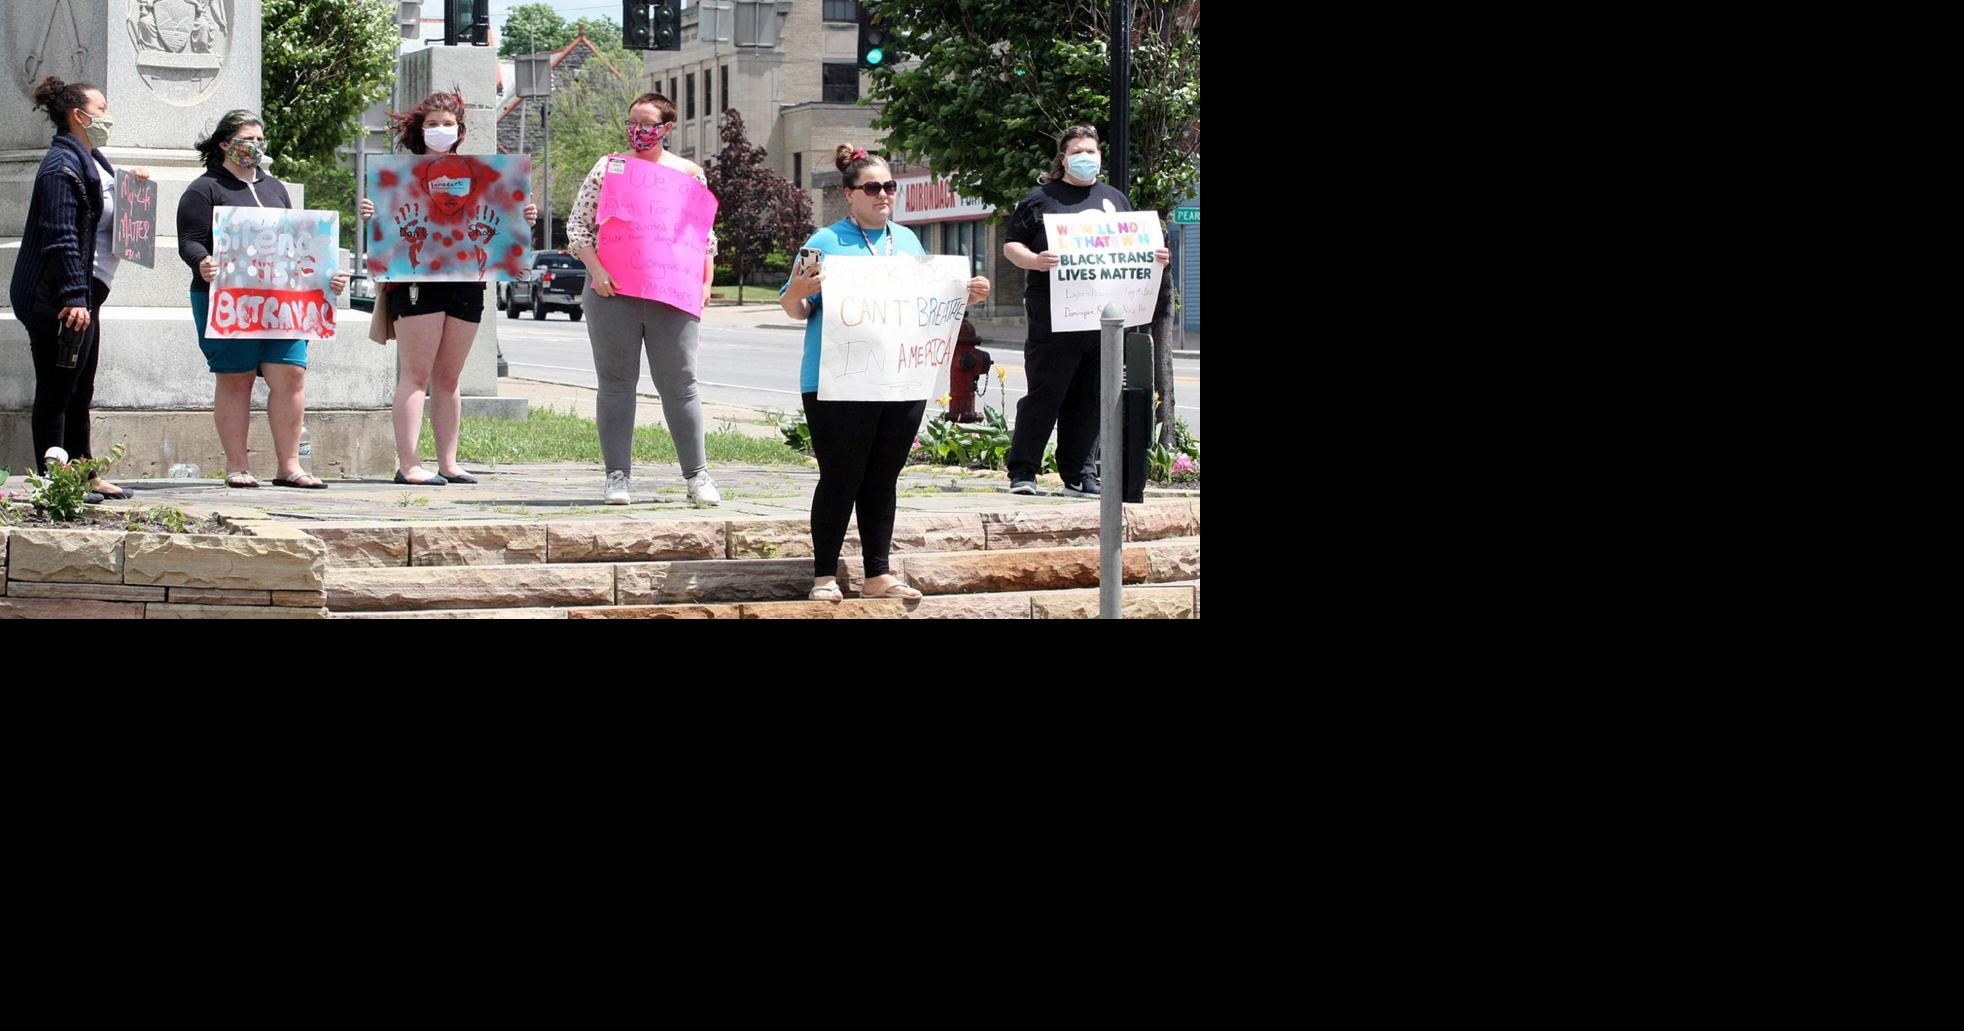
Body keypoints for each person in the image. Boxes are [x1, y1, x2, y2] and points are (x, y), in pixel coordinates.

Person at [780, 145, 992, 602]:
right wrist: (796, 291)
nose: (884, 194)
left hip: (899, 377)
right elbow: (795, 307)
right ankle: (824, 576)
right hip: (836, 380)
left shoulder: (908, 242)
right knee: (841, 475)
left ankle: (877, 574)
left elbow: (926, 305)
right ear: (849, 193)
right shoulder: (823, 242)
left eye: (890, 186)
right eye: (873, 187)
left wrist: (965, 295)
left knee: (883, 476)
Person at [358, 90, 537, 486]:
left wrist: (522, 217)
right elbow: (388, 229)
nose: (441, 130)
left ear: (460, 130)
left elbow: (502, 225)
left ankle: (449, 462)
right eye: (433, 123)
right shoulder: (399, 176)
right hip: (417, 281)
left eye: (448, 123)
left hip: (468, 281)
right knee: (416, 374)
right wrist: (373, 213)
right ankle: (409, 464)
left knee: (449, 377)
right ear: (420, 130)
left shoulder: (483, 174)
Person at [563, 92, 719, 507]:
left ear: (667, 128)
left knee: (681, 383)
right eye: (632, 122)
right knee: (616, 382)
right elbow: (578, 227)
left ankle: (697, 476)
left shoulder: (689, 174)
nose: (638, 130)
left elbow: (703, 236)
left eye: (648, 123)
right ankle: (617, 476)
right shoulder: (609, 167)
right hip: (612, 293)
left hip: (673, 295)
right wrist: (597, 270)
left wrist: (705, 283)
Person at [178, 108, 349, 489]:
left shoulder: (275, 189)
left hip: (283, 302)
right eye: (247, 140)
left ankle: (290, 466)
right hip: (228, 300)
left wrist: (326, 277)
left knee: (291, 374)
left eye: (260, 139)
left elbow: (297, 243)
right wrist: (202, 261)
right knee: (235, 378)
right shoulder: (204, 189)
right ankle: (237, 466)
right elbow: (189, 240)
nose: (256, 146)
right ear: (225, 145)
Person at [1001, 124, 1170, 496]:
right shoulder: (1041, 200)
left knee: (1092, 397)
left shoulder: (1115, 199)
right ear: (1063, 158)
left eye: (1091, 151)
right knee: (1046, 392)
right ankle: (1024, 471)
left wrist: (1155, 256)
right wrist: (1035, 260)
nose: (1085, 158)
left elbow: (1135, 248)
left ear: (1100, 158)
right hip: (1054, 316)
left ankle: (1079, 474)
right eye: (1077, 152)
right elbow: (1012, 246)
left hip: (1104, 320)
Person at [8, 76, 143, 499]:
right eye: (101, 110)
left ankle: (83, 472)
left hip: (86, 293)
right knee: (57, 388)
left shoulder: (91, 159)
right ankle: (54, 479)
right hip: (58, 298)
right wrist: (72, 296)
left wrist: (135, 187)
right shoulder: (60, 167)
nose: (107, 117)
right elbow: (60, 235)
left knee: (80, 387)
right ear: (78, 116)